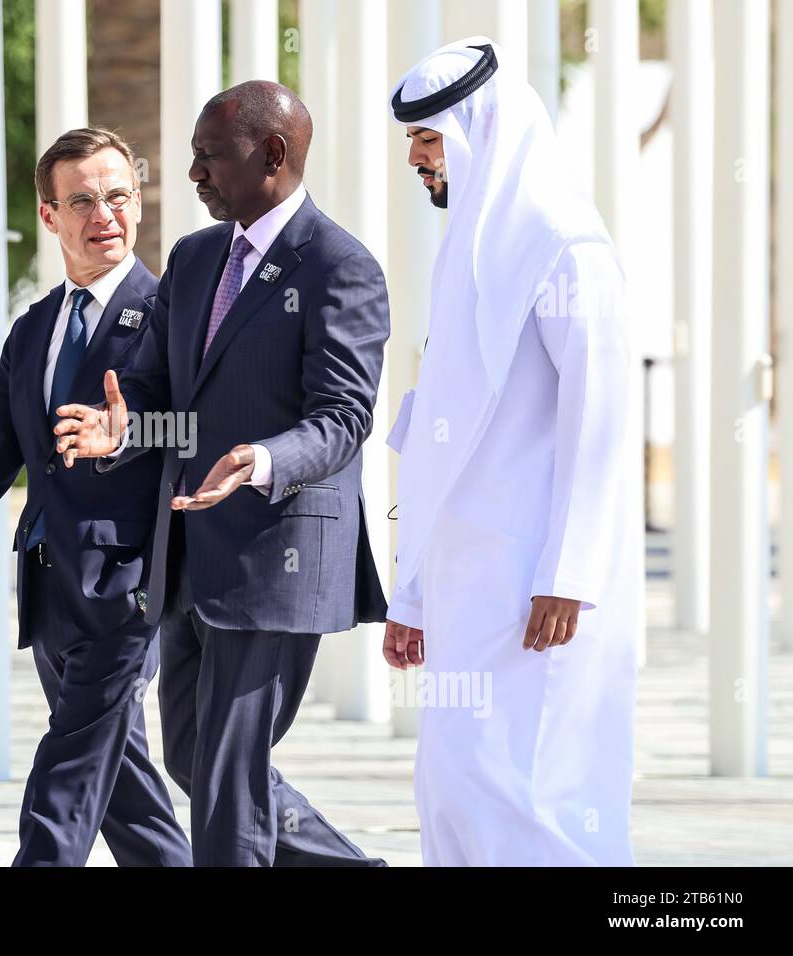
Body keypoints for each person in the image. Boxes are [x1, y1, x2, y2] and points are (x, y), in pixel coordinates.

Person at [54, 81, 390, 867]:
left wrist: (265, 460)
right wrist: (124, 428)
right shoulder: (196, 256)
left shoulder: (341, 267)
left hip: (280, 550)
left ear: (273, 155)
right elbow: (161, 394)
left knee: (230, 774)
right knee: (194, 756)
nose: (194, 172)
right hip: (189, 552)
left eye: (210, 155)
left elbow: (343, 418)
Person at [0, 128, 191, 867]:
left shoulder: (176, 316)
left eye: (118, 195)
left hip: (134, 590)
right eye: (81, 199)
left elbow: (211, 430)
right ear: (49, 216)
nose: (104, 213)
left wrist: (131, 431)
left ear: (138, 203)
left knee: (66, 779)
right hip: (51, 593)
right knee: (127, 796)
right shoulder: (34, 329)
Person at [383, 37, 638, 865]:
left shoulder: (568, 248)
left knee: (533, 800)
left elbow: (599, 418)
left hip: (539, 591)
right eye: (415, 143)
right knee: (455, 789)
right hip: (465, 591)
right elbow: (435, 436)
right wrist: (413, 594)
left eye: (430, 140)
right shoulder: (467, 248)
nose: (419, 160)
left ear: (481, 132)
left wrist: (567, 577)